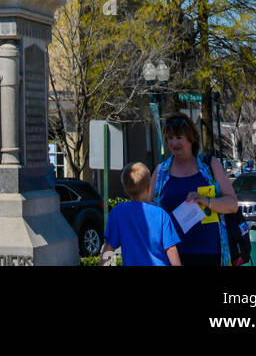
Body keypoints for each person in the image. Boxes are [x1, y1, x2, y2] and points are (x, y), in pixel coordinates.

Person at [152, 113, 238, 268]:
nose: (173, 142)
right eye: (170, 138)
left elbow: (232, 204)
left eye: (179, 137)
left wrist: (206, 201)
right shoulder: (161, 172)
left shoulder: (210, 165)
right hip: (172, 255)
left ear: (191, 138)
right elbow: (149, 209)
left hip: (209, 253)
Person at [100, 163, 181, 267]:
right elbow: (171, 249)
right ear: (149, 187)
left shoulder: (118, 212)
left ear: (125, 189)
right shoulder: (161, 214)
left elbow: (109, 248)